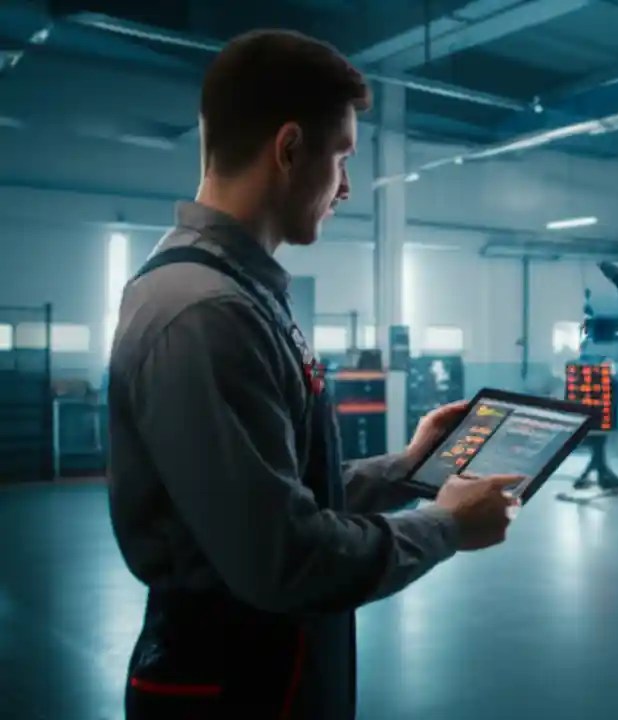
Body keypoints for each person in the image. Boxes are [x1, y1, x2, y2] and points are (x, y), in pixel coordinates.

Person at [106, 29, 518, 719]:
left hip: (274, 666)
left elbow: (274, 495)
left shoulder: (239, 295)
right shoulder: (205, 313)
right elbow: (285, 556)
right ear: (290, 148)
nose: (347, 187)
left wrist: (408, 467)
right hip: (233, 686)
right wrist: (444, 526)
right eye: (342, 158)